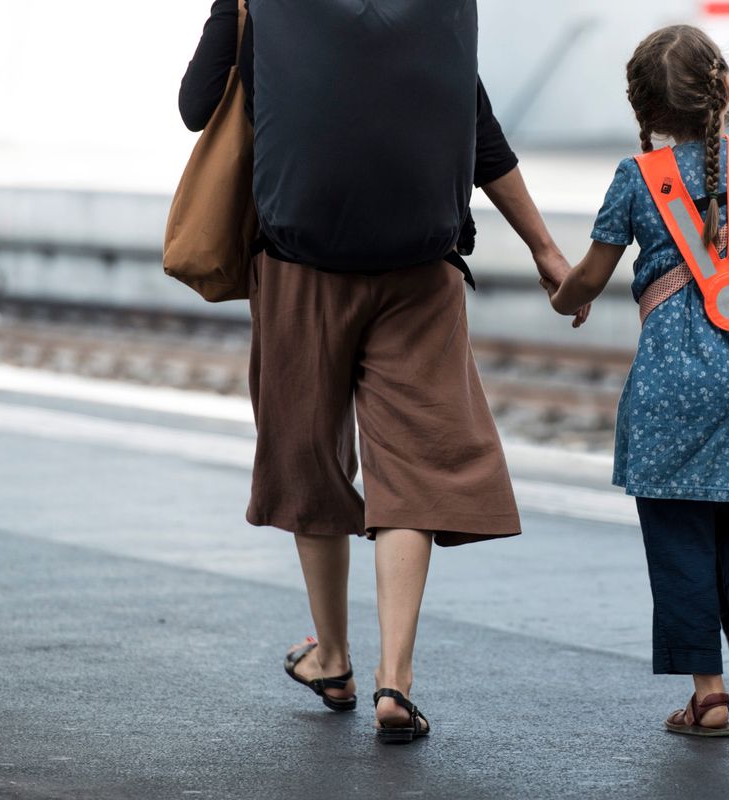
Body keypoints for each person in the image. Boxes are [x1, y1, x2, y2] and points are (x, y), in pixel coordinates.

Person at [180, 0, 585, 743]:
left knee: (308, 458)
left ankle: (331, 657)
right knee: (415, 465)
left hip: (301, 264)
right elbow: (477, 129)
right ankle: (394, 681)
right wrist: (545, 250)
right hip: (422, 266)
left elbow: (195, 105)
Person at [548, 25, 729, 736]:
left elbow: (590, 274)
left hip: (671, 386)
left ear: (644, 110)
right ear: (724, 92)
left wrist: (565, 296)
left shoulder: (636, 178)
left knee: (677, 531)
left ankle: (709, 697)